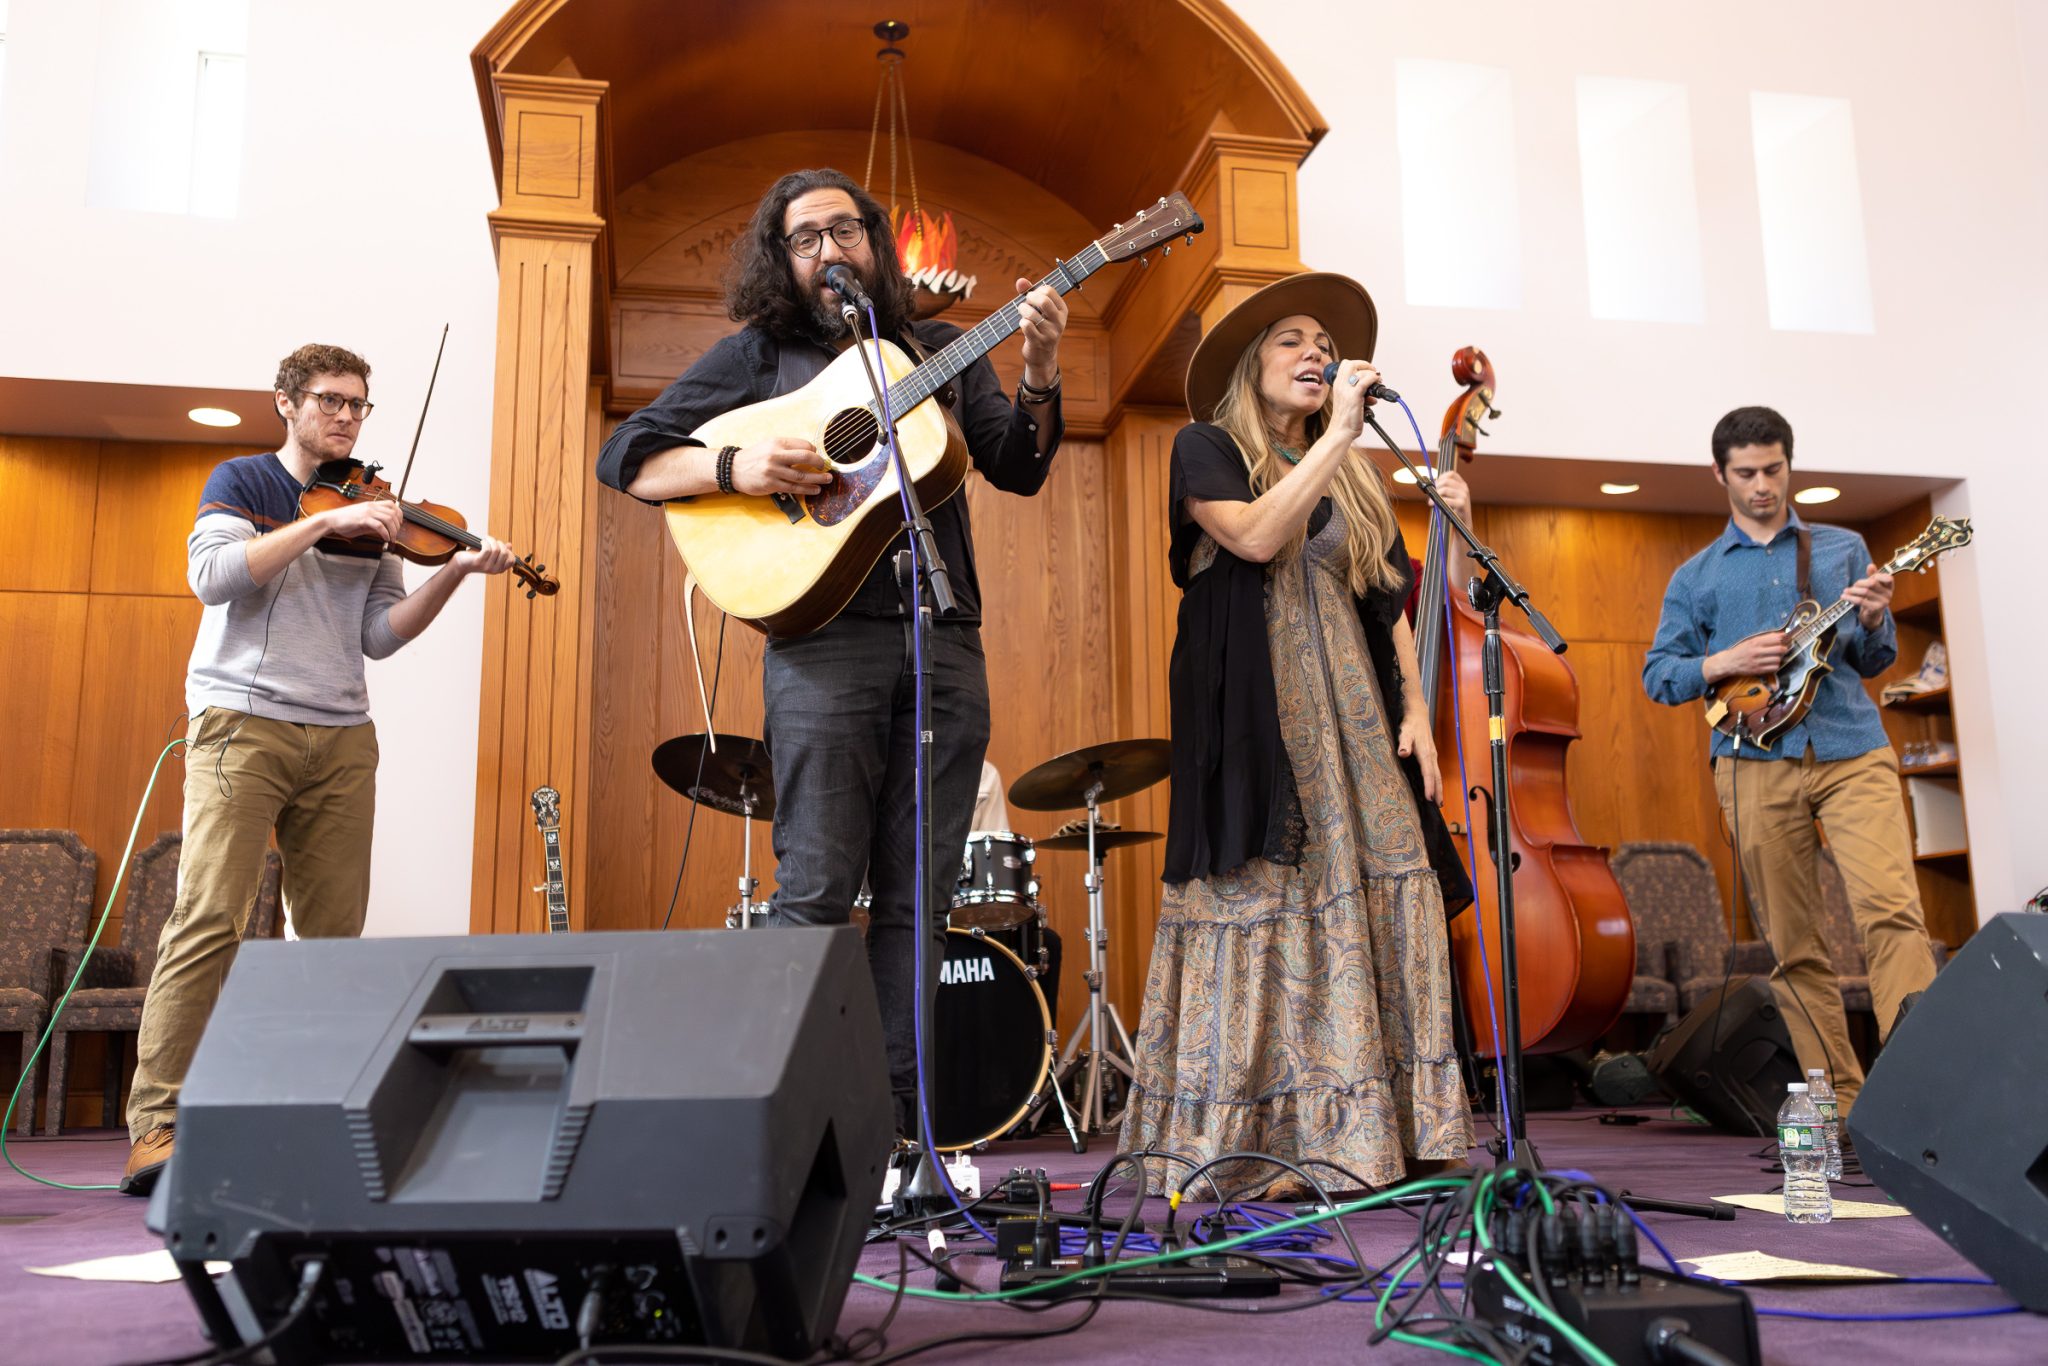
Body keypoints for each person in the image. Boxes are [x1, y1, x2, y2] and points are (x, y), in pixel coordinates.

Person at [595, 169, 1068, 1139]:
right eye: (805, 237)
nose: (827, 251)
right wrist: (738, 465)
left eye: (843, 231)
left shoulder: (934, 348)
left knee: (918, 902)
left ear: (873, 244)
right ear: (783, 257)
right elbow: (627, 455)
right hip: (818, 644)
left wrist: (1043, 367)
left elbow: (1016, 463)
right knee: (811, 888)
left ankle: (901, 1134)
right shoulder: (759, 357)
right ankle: (778, 1125)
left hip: (942, 638)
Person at [123, 343, 517, 1194]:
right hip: (242, 723)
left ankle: (308, 1109)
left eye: (359, 405)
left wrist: (450, 572)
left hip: (341, 733)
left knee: (331, 939)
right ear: (288, 403)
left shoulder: (375, 509)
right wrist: (319, 525)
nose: (346, 417)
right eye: (331, 401)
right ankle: (157, 1124)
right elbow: (215, 578)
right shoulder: (247, 483)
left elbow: (378, 634)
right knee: (208, 920)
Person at [1121, 273, 1476, 1196]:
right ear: (1251, 366)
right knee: (1267, 893)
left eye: (1325, 341)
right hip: (1257, 717)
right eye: (1292, 339)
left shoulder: (1351, 477)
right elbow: (1250, 536)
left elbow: (1388, 598)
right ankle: (1263, 1140)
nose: (1316, 353)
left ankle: (1378, 1134)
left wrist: (1415, 713)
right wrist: (1341, 442)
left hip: (1356, 717)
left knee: (1386, 882)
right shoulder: (1206, 448)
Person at [1643, 405, 1938, 1113]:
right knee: (1794, 945)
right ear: (1720, 474)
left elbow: (1874, 659)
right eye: (1746, 473)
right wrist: (1725, 659)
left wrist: (1872, 617)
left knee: (1892, 914)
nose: (1762, 485)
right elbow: (1660, 675)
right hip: (1751, 764)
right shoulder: (1697, 575)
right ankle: (1841, 1100)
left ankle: (1927, 1092)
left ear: (1789, 465)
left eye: (1774, 469)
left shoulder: (1841, 549)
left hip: (1849, 748)